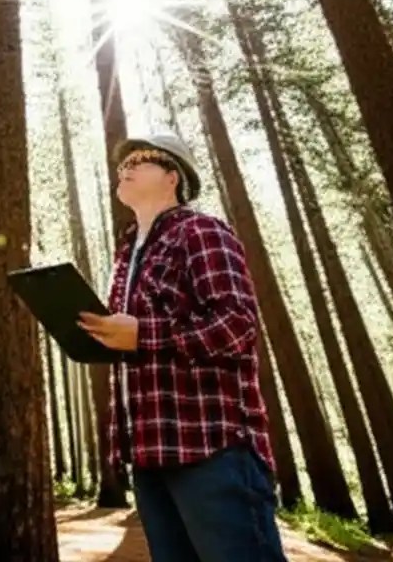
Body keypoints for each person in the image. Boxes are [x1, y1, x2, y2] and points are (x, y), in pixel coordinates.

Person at [79, 133, 288, 562]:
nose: (126, 167)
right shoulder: (127, 257)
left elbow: (236, 325)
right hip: (150, 454)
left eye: (141, 160)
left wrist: (141, 334)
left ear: (173, 176)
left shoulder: (200, 230)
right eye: (123, 163)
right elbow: (143, 343)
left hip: (212, 448)